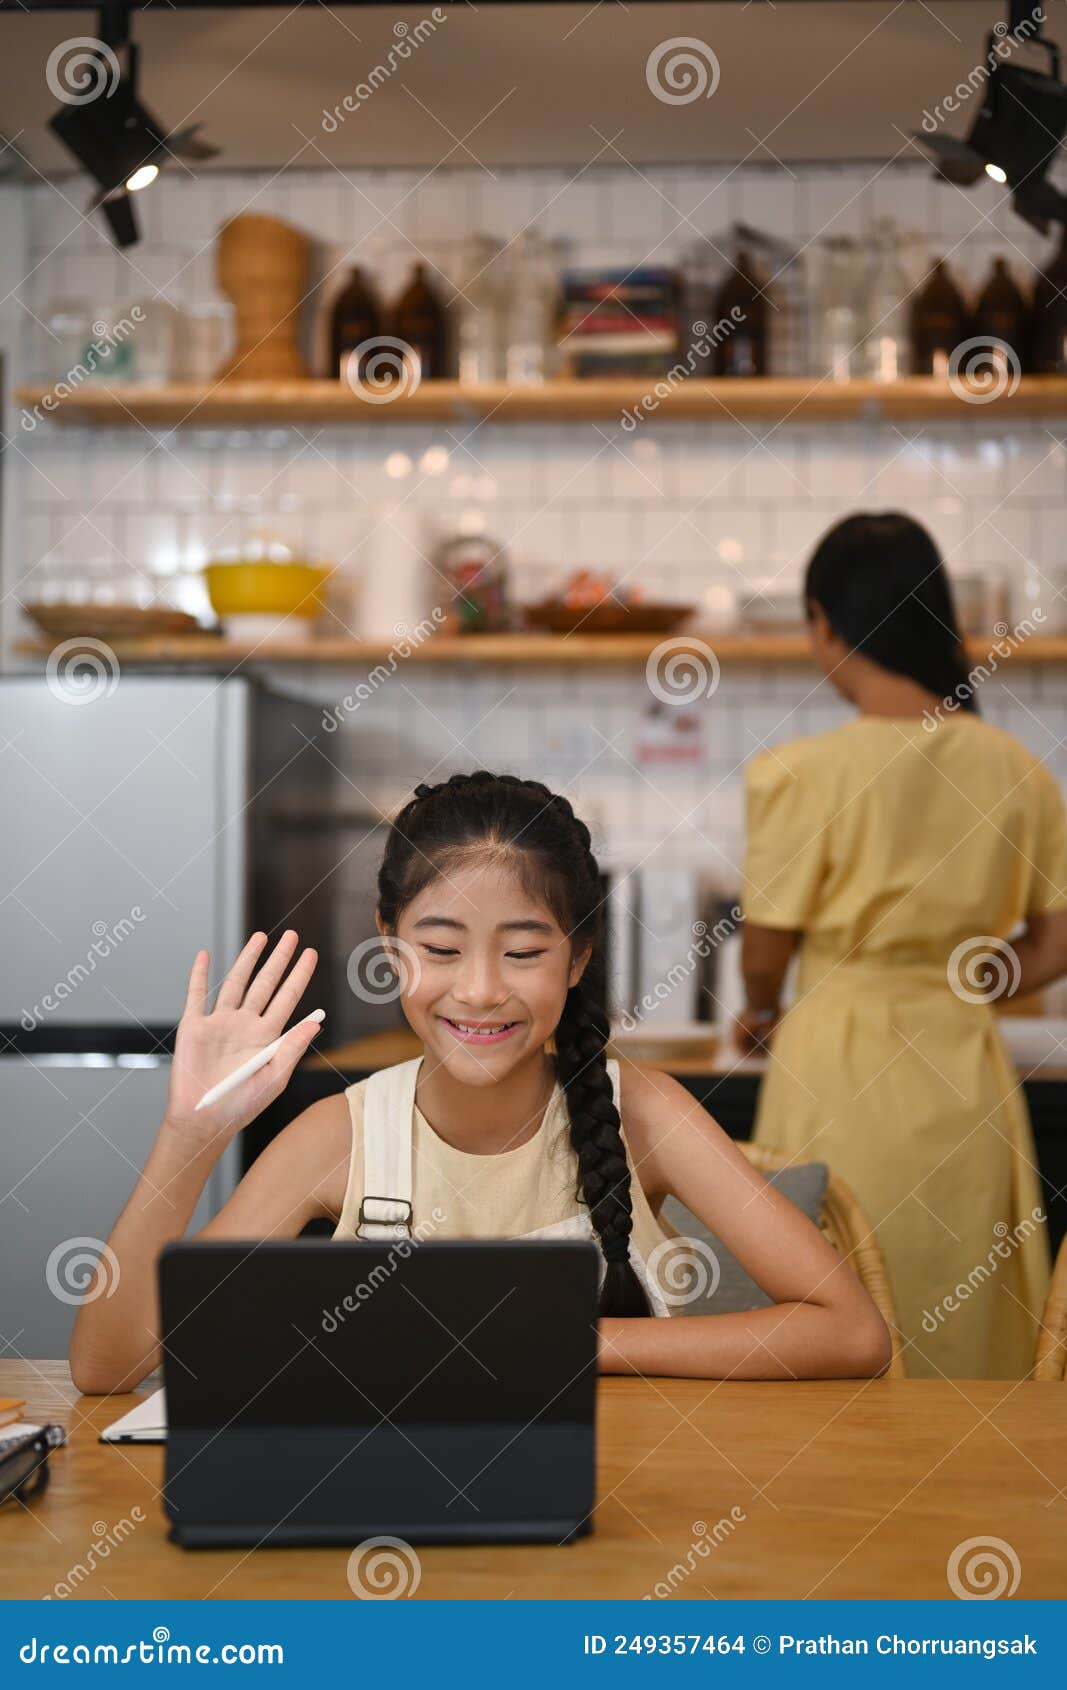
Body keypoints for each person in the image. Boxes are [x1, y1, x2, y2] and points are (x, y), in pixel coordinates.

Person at [70, 772, 890, 1394]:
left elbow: (851, 1335)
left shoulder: (644, 1112)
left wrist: (576, 1345)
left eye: (524, 952)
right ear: (390, 946)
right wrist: (190, 1134)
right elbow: (112, 1365)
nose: (480, 989)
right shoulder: (336, 1137)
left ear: (577, 958)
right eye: (442, 946)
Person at [737, 512, 1067, 1380]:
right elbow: (1058, 936)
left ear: (823, 623)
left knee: (828, 1279)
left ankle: (827, 1501)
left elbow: (765, 943)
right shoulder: (1015, 769)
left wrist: (760, 1012)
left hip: (835, 1054)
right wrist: (964, 984)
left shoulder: (802, 772)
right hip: (960, 1063)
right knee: (957, 1283)